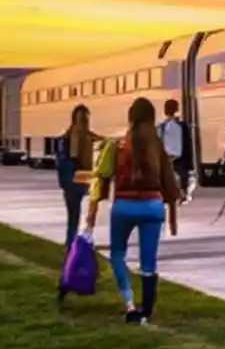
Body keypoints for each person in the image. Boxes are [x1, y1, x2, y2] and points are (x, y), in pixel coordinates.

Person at [83, 98, 181, 324]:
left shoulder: (118, 146)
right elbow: (169, 182)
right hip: (153, 207)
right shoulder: (157, 146)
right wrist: (173, 212)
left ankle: (129, 304)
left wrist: (91, 215)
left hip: (124, 207)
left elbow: (103, 179)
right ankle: (146, 310)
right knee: (149, 263)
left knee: (117, 255)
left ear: (131, 117)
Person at [56, 105, 102, 250]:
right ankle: (72, 244)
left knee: (74, 215)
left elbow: (97, 137)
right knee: (77, 214)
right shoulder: (78, 134)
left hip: (71, 182)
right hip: (77, 180)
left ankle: (72, 241)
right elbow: (75, 156)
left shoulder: (70, 134)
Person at [158, 99, 194, 204]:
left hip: (167, 157)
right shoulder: (182, 126)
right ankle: (183, 194)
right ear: (176, 109)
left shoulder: (162, 126)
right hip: (180, 156)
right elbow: (187, 145)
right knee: (182, 175)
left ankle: (168, 195)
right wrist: (190, 164)